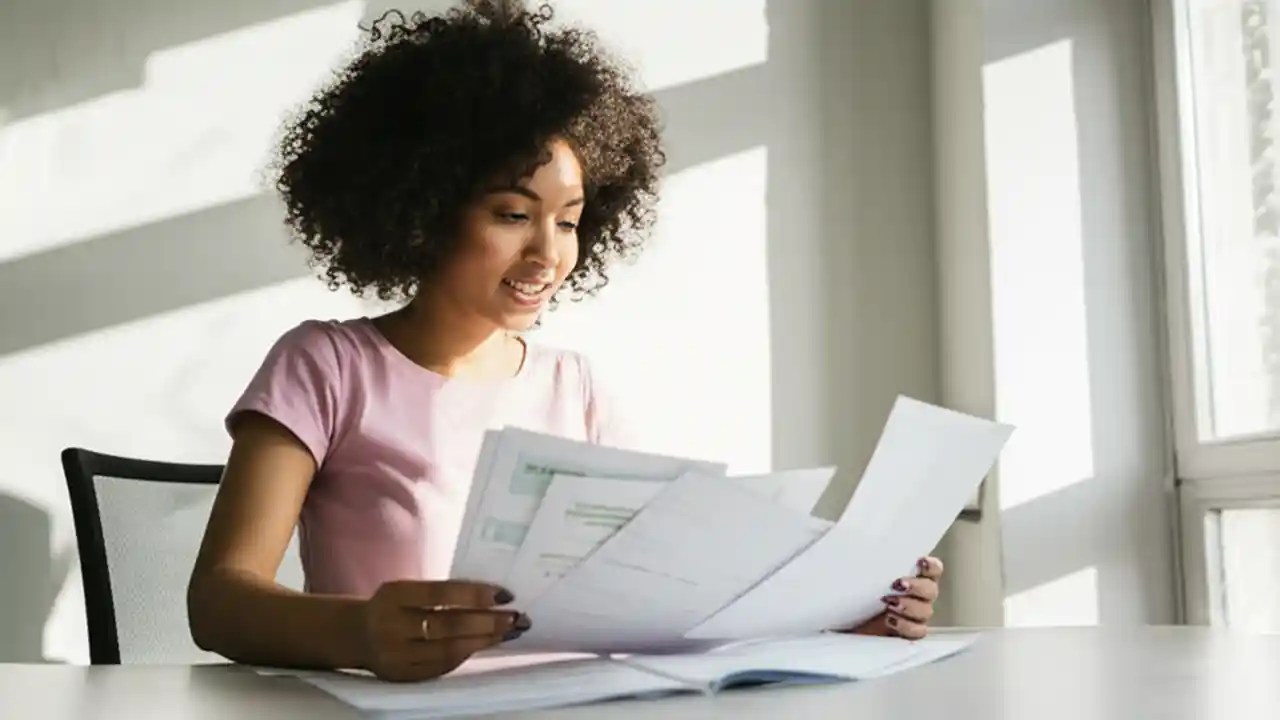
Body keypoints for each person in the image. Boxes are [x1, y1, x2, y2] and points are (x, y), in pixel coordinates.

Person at [187, 0, 945, 683]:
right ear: (421, 210)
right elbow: (220, 601)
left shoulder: (574, 387)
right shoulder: (325, 367)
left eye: (570, 219)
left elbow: (664, 598)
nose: (549, 254)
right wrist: (361, 631)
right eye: (514, 214)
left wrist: (842, 616)